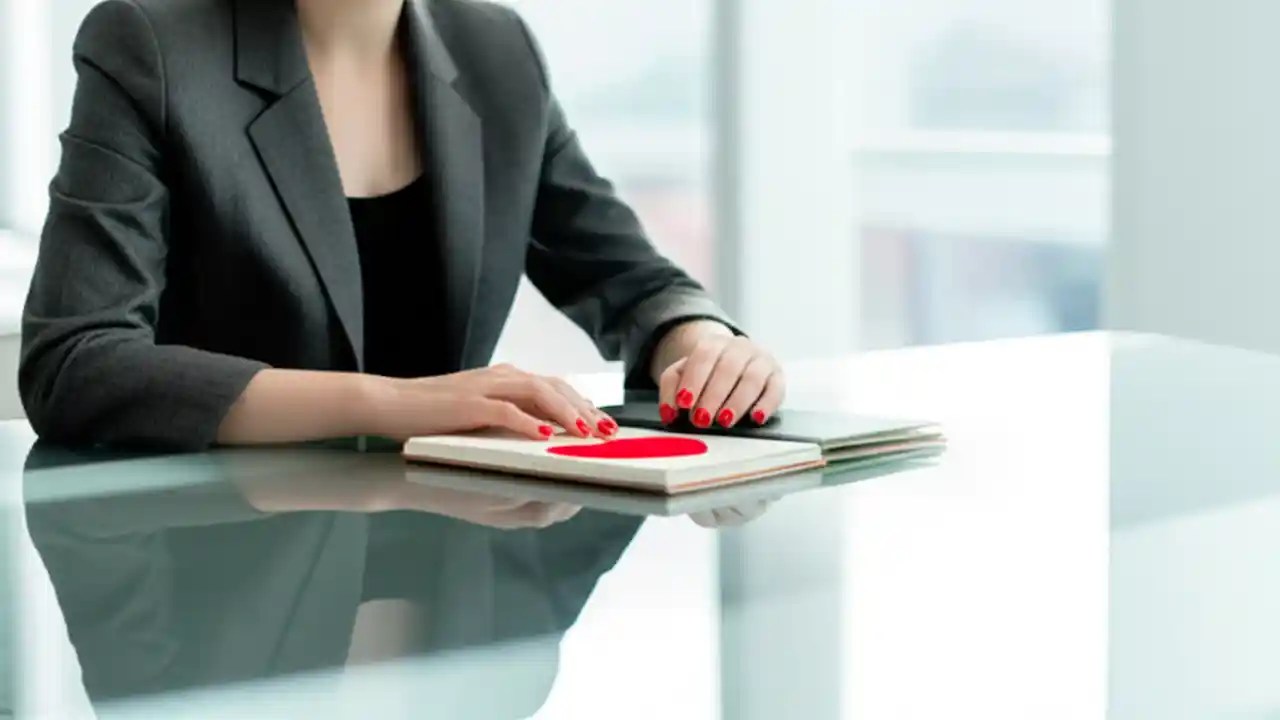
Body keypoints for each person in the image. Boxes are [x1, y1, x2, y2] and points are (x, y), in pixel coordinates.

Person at [18, 0, 785, 450]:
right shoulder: (151, 43)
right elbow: (76, 362)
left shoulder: (496, 49)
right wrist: (389, 404)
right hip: (223, 580)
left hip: (451, 570)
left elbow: (628, 277)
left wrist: (703, 341)